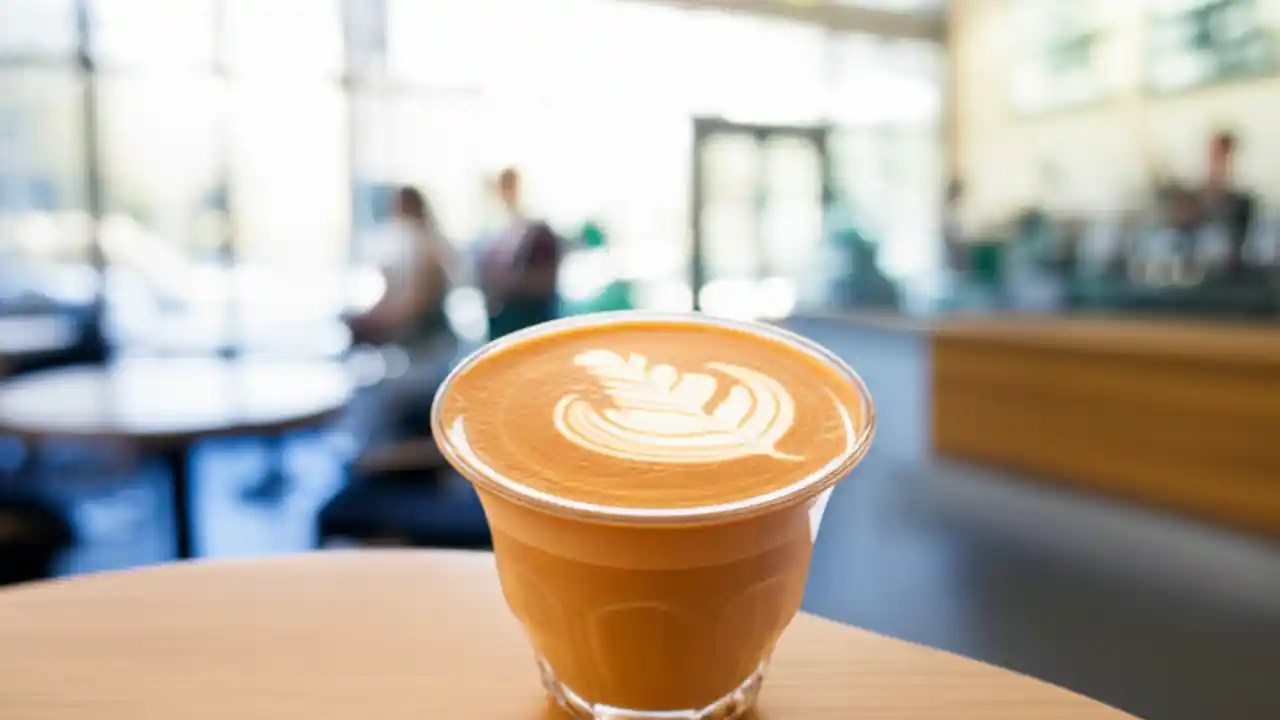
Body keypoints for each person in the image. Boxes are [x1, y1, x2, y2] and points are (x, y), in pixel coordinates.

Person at [347, 186, 456, 356]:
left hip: (428, 339)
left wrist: (379, 319)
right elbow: (392, 294)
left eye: (401, 207)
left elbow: (417, 302)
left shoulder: (427, 247)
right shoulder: (403, 248)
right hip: (413, 336)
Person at [477, 168, 562, 338]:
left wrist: (507, 284)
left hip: (533, 325)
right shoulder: (495, 232)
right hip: (503, 325)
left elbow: (544, 280)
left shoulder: (538, 231)